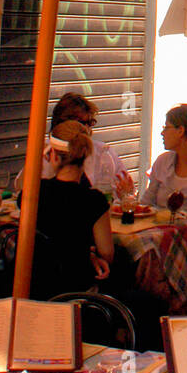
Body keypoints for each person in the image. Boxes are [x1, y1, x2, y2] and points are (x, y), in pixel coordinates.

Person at [29, 119, 114, 299]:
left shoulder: (34, 193)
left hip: (35, 287)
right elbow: (107, 252)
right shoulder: (93, 200)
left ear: (53, 156)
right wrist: (89, 255)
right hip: (75, 288)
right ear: (85, 156)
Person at [16, 92, 133, 199]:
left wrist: (125, 195)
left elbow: (125, 193)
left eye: (89, 123)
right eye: (80, 123)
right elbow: (20, 187)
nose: (85, 129)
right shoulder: (46, 151)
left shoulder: (103, 152)